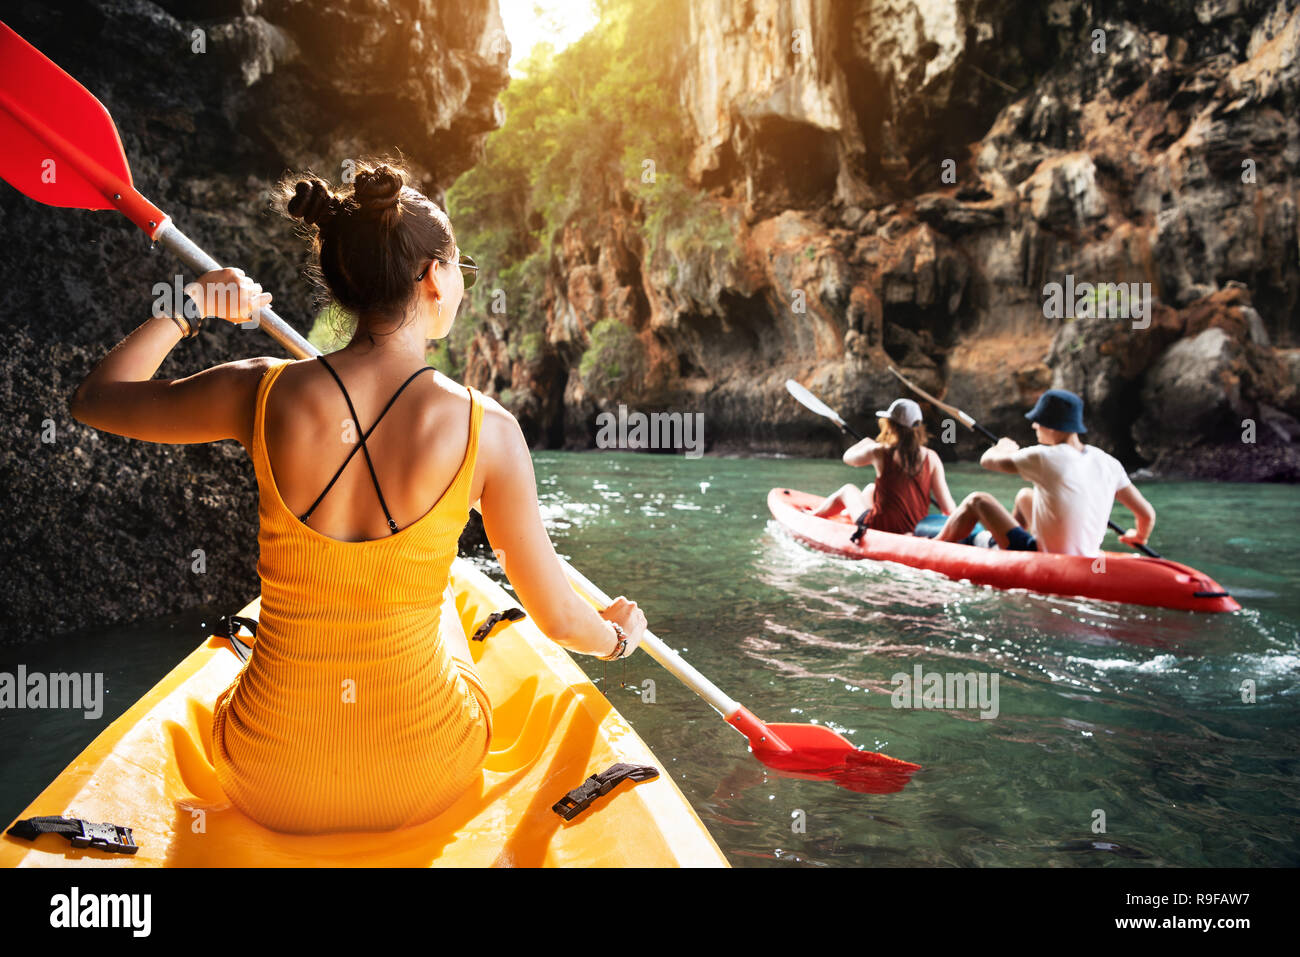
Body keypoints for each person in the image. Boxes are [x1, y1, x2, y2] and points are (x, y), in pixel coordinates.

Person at [69, 161, 646, 834]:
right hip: (425, 774)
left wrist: (190, 305)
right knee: (447, 603)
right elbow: (557, 619)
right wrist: (617, 638)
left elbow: (95, 400)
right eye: (462, 267)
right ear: (434, 276)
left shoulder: (260, 391)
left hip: (267, 777)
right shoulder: (491, 431)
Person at [934, 388, 1155, 556]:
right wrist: (1138, 536)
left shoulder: (1044, 457)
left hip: (1044, 555)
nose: (1033, 426)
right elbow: (1146, 514)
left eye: (1037, 422)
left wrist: (1003, 447)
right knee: (1024, 496)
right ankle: (1002, 550)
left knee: (977, 501)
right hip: (1085, 554)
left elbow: (987, 461)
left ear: (1051, 426)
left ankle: (934, 545)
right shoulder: (1108, 462)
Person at [812, 398, 957, 535]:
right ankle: (847, 512)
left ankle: (813, 515)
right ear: (918, 428)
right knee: (870, 489)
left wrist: (865, 443)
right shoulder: (931, 457)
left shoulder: (880, 451)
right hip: (915, 528)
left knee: (847, 490)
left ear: (891, 426)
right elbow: (948, 508)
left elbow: (848, 458)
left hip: (879, 526)